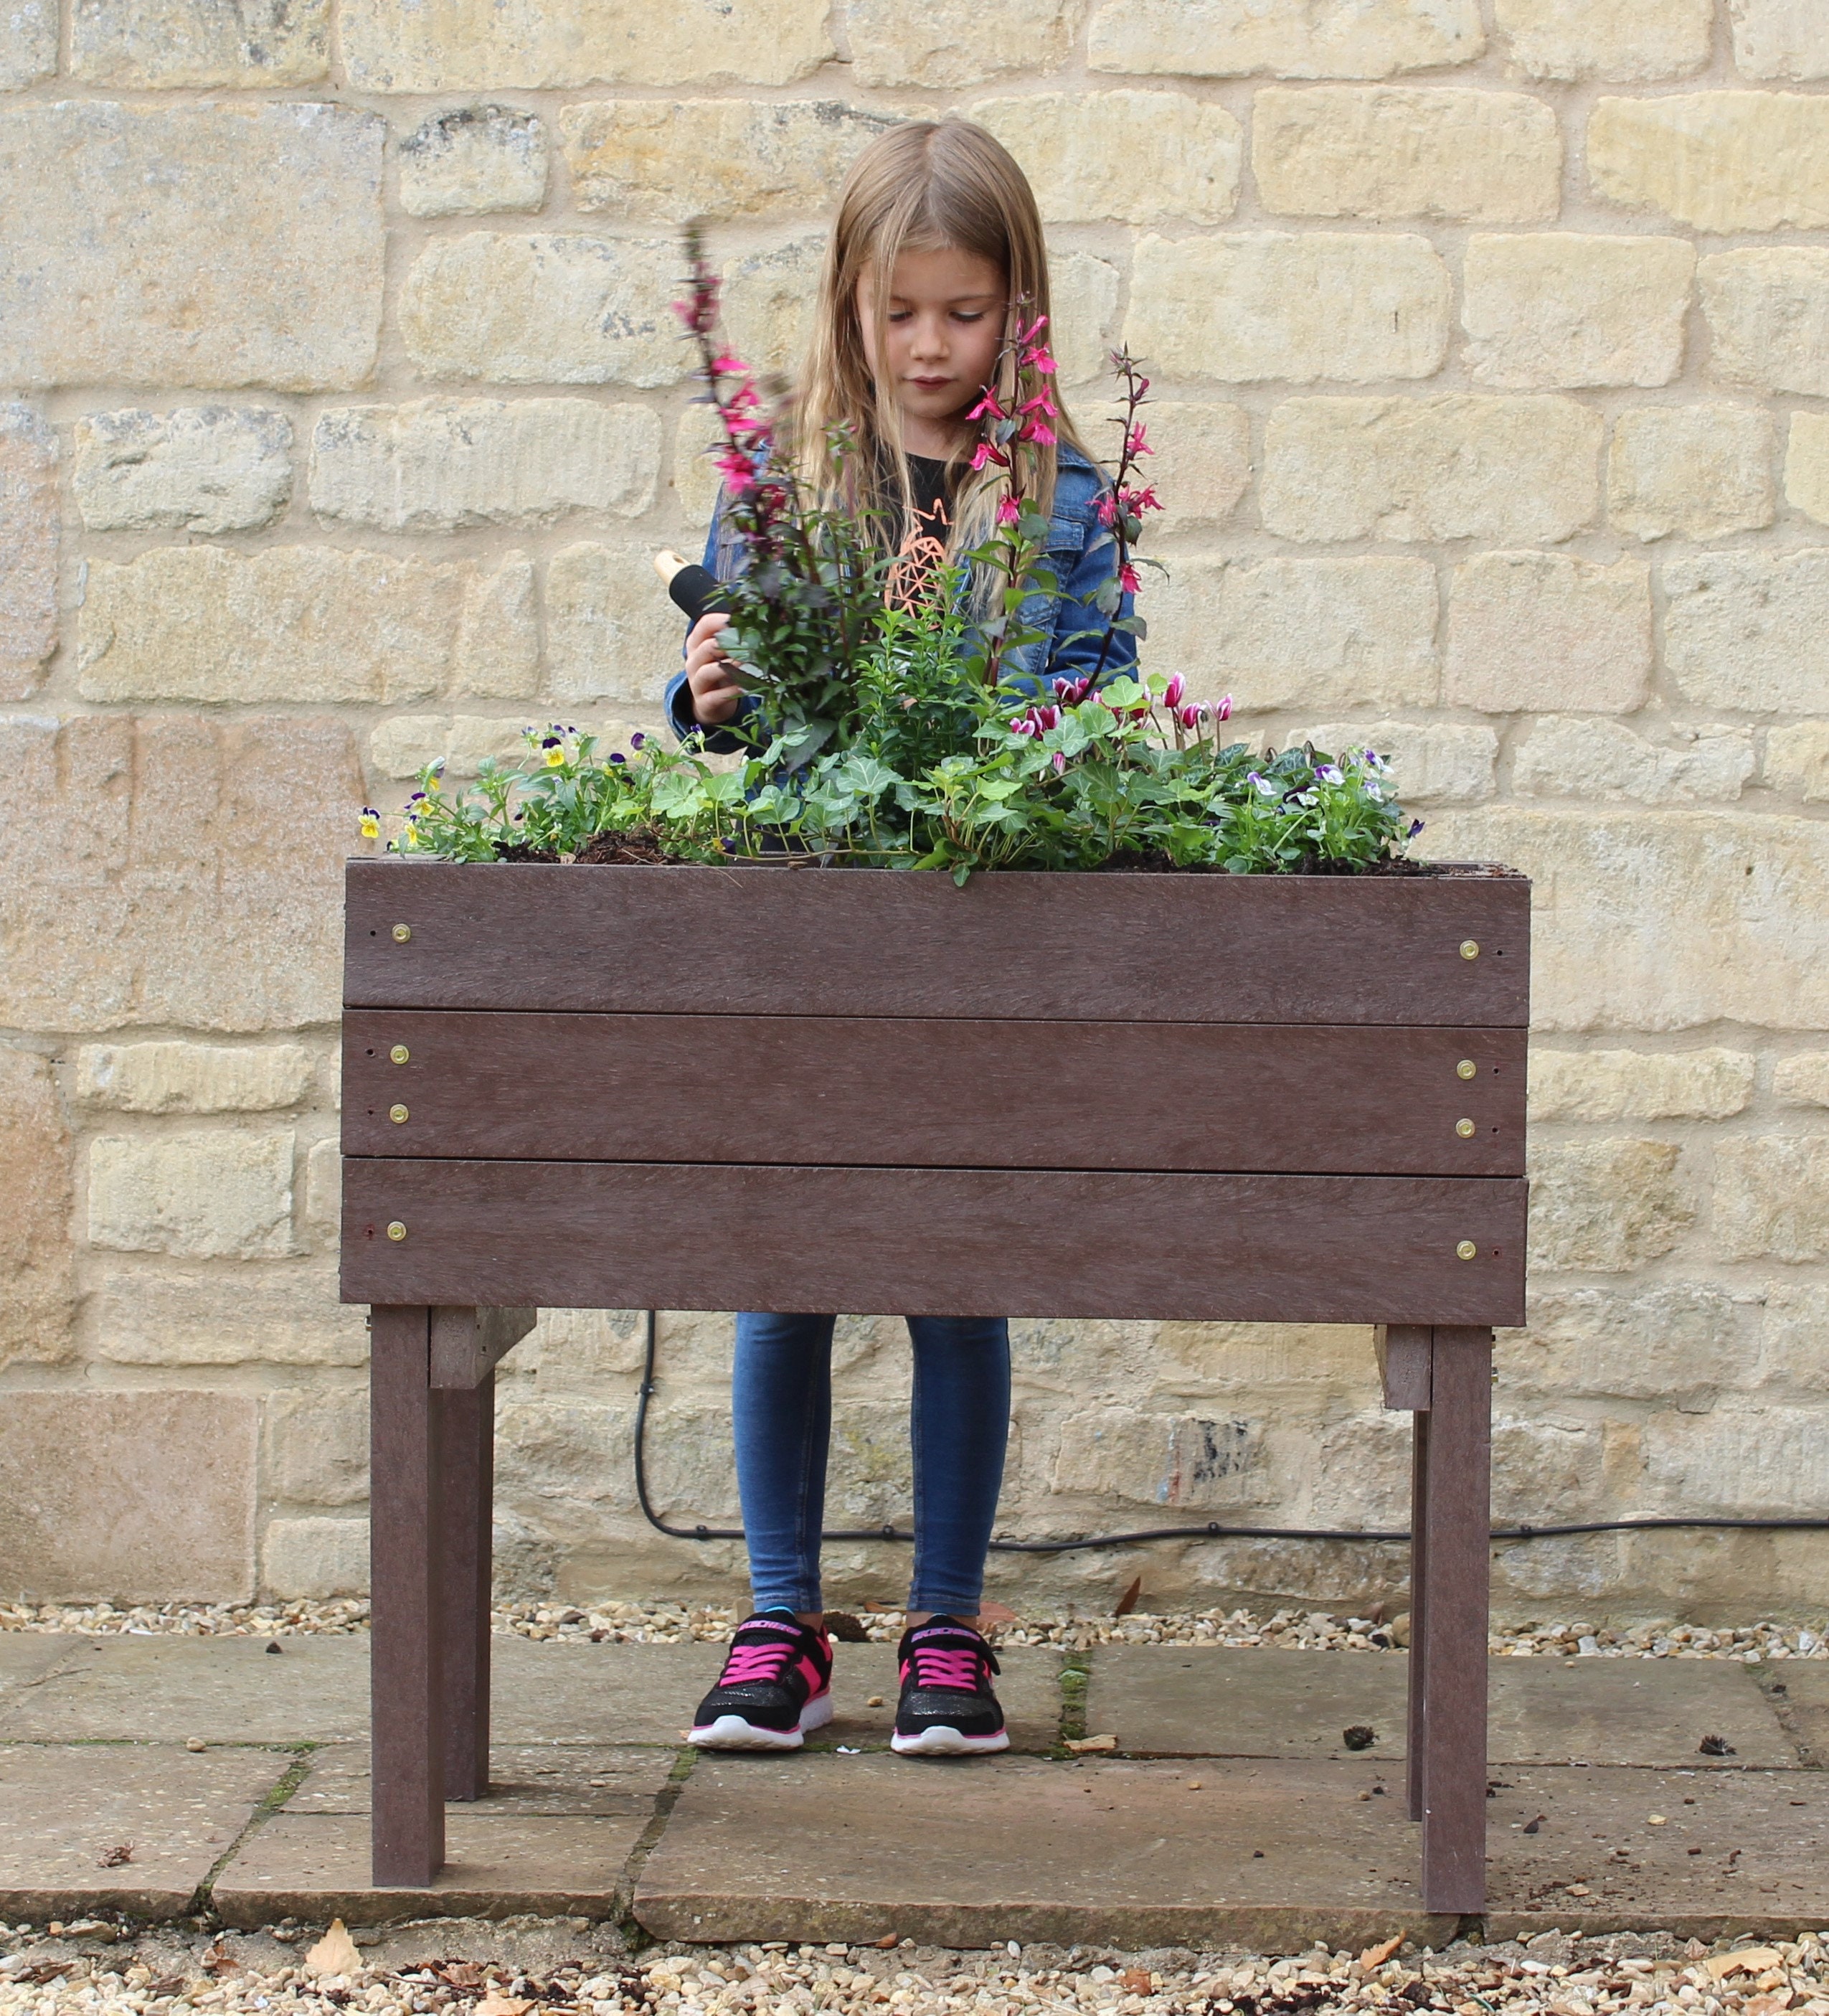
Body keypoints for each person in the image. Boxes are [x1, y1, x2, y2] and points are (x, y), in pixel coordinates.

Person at [666, 118, 1137, 1759]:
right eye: (899, 312)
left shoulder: (1064, 503)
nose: (931, 347)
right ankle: (779, 1620)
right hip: (809, 935)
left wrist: (1051, 744)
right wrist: (705, 695)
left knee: (956, 1275)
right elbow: (732, 718)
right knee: (784, 1271)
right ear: (848, 309)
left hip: (977, 942)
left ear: (1021, 310)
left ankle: (947, 1622)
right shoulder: (786, 492)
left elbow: (1101, 688)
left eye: (967, 312)